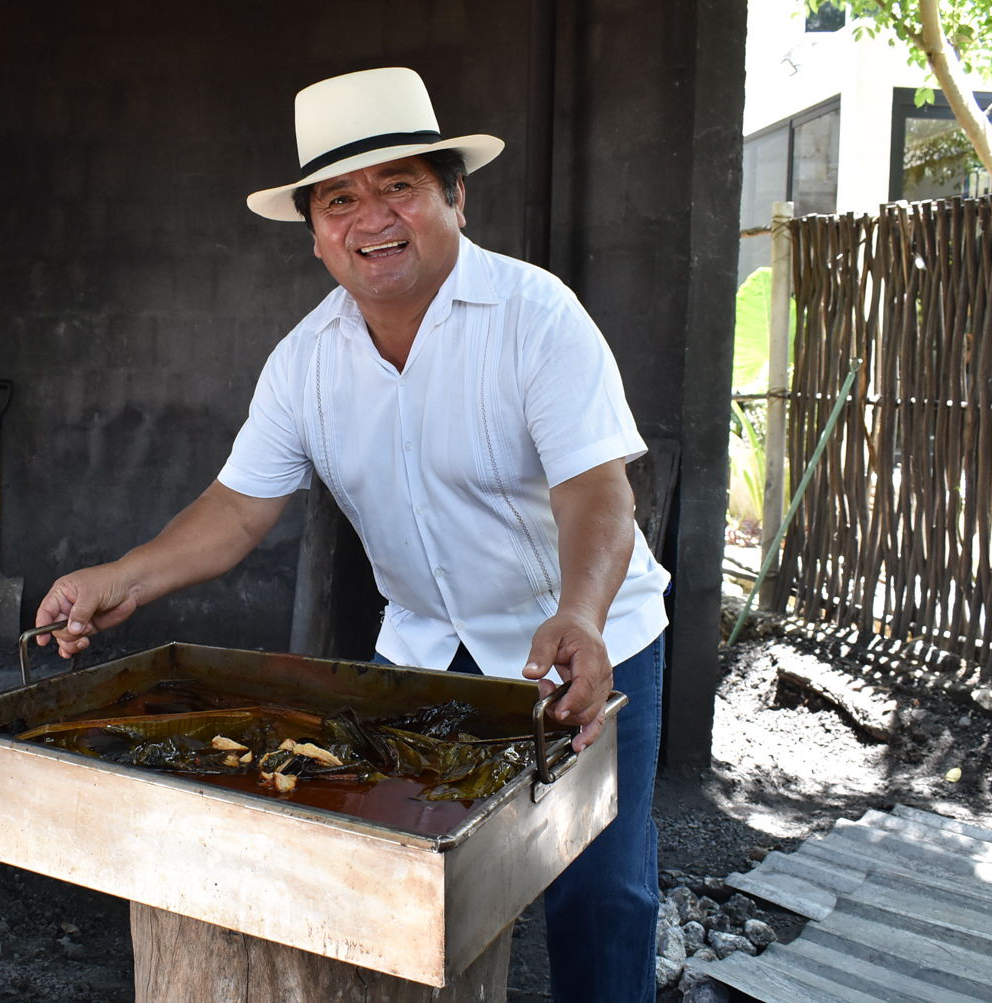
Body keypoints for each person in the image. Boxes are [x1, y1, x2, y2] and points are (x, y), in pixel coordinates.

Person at [35, 66, 671, 1003]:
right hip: (423, 655)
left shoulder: (538, 319)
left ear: (455, 194)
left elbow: (596, 493)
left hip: (580, 642)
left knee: (599, 888)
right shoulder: (306, 362)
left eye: (399, 186)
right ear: (316, 235)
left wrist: (580, 610)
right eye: (340, 199)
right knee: (411, 883)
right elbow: (238, 509)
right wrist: (122, 576)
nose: (371, 218)